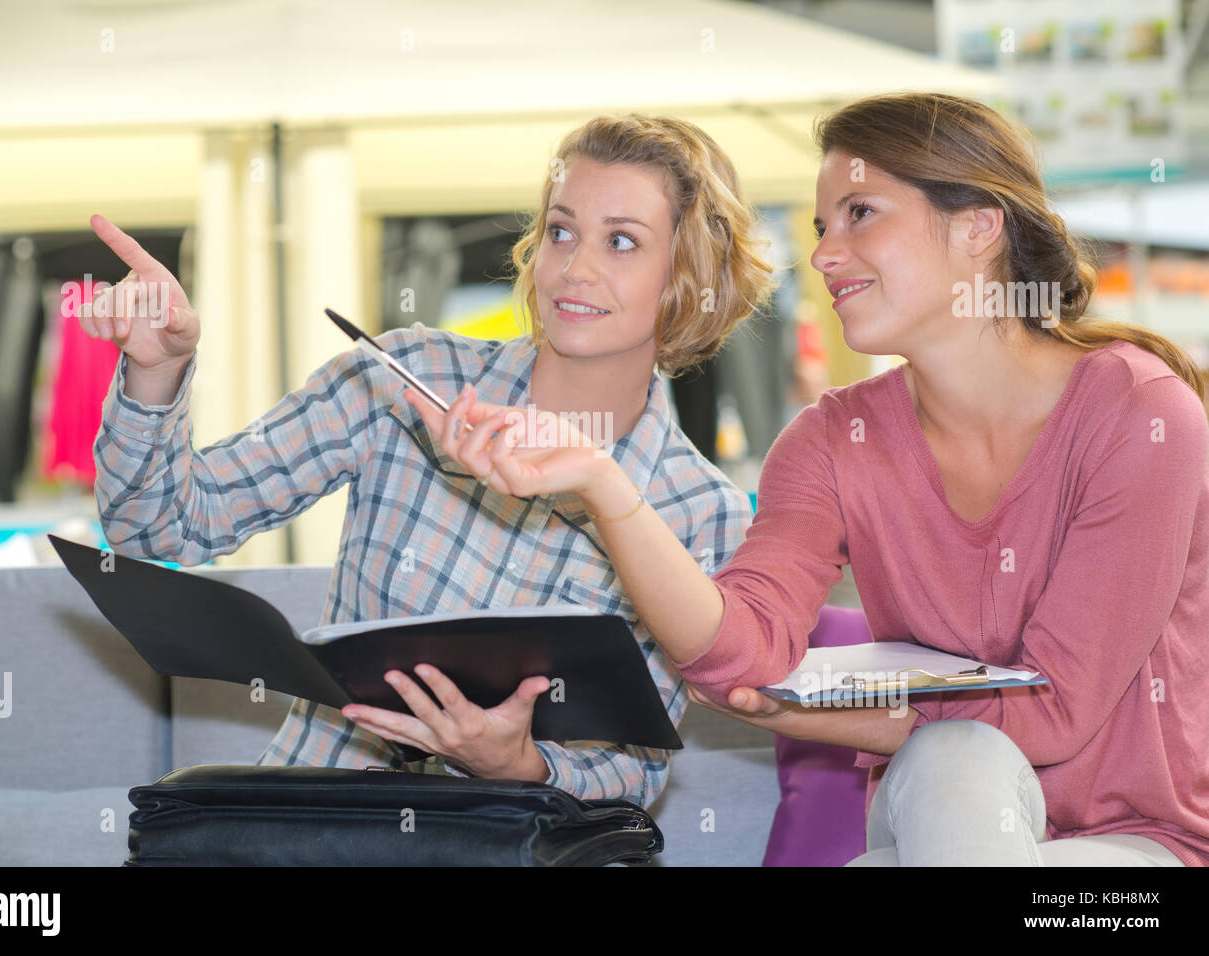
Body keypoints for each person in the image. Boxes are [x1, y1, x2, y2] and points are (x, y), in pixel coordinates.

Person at [409, 92, 1209, 864]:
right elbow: (742, 650)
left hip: (1141, 848)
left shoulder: (1140, 415)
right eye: (824, 226)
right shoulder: (832, 439)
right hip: (937, 813)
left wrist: (814, 713)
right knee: (954, 757)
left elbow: (1055, 712)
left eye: (861, 214)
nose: (824, 253)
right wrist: (604, 485)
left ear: (977, 227)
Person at [83, 113, 772, 806]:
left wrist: (520, 764)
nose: (575, 268)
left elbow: (637, 768)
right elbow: (160, 528)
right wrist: (157, 372)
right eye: (561, 231)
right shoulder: (407, 374)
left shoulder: (699, 512)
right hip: (312, 826)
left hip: (506, 844)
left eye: (621, 241)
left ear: (687, 276)